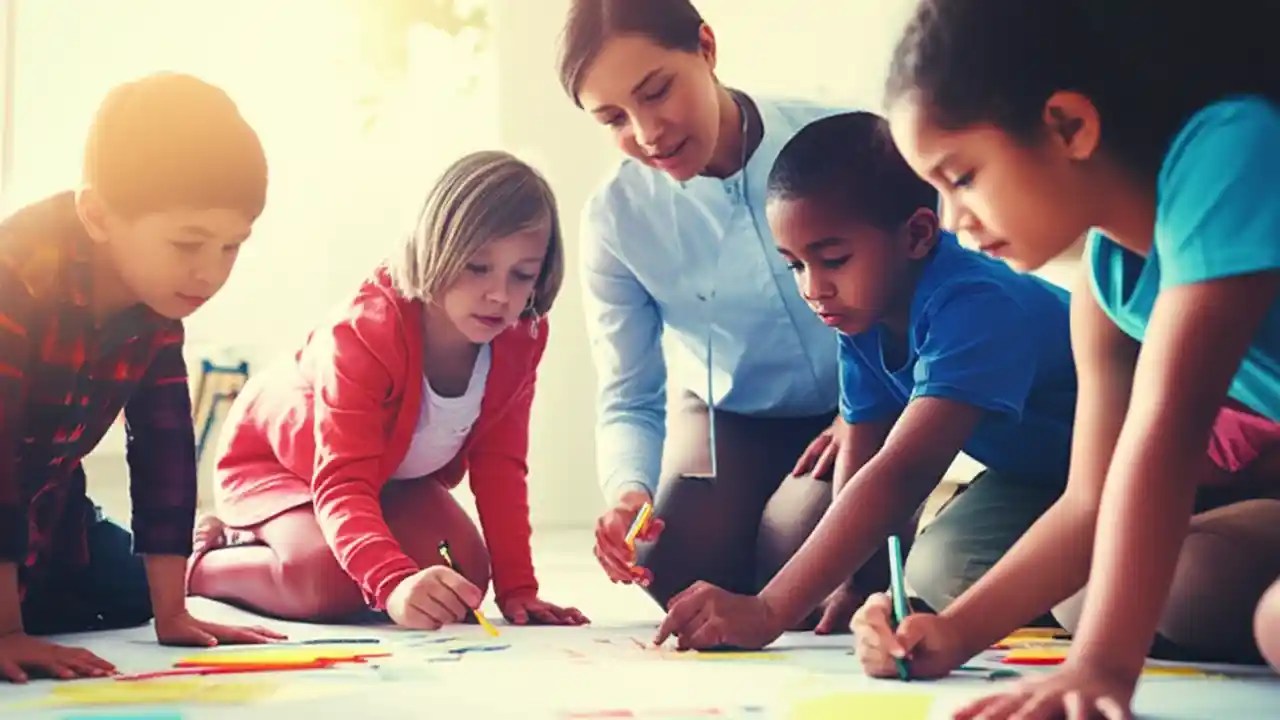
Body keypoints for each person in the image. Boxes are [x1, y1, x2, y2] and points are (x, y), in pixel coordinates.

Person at [854, 1, 1280, 717]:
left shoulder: (1233, 149)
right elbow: (1089, 501)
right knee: (1152, 589)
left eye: (961, 176)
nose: (952, 218)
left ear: (1068, 126)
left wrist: (1100, 668)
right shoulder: (1108, 280)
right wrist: (951, 632)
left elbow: (1168, 433)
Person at [654, 111, 1077, 650]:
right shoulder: (861, 315)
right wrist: (856, 582)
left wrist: (768, 610)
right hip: (1036, 477)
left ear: (919, 235)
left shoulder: (976, 305)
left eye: (831, 259)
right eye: (795, 266)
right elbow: (863, 455)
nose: (814, 288)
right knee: (937, 571)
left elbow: (901, 472)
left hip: (1132, 466)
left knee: (1096, 589)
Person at [187, 151, 587, 630]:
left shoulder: (520, 336)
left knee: (462, 576)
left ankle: (318, 551)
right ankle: (212, 558)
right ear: (436, 249)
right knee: (324, 580)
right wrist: (392, 583)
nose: (500, 295)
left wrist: (520, 590)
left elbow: (500, 465)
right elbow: (342, 482)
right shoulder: (364, 333)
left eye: (521, 275)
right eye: (477, 267)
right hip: (286, 465)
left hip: (391, 475)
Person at [560, 0, 865, 621]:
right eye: (614, 117)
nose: (647, 134)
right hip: (728, 413)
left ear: (706, 47)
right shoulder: (616, 217)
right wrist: (628, 495)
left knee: (800, 564)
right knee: (670, 572)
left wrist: (863, 411)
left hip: (859, 401)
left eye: (657, 91)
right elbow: (628, 394)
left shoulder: (843, 141)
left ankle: (911, 522)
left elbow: (930, 301)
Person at [0, 73, 283, 684]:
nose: (209, 273)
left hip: (45, 517)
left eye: (232, 247)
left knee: (130, 594)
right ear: (97, 214)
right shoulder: (16, 272)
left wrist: (173, 611)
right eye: (189, 243)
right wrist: (6, 632)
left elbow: (164, 449)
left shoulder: (159, 300)